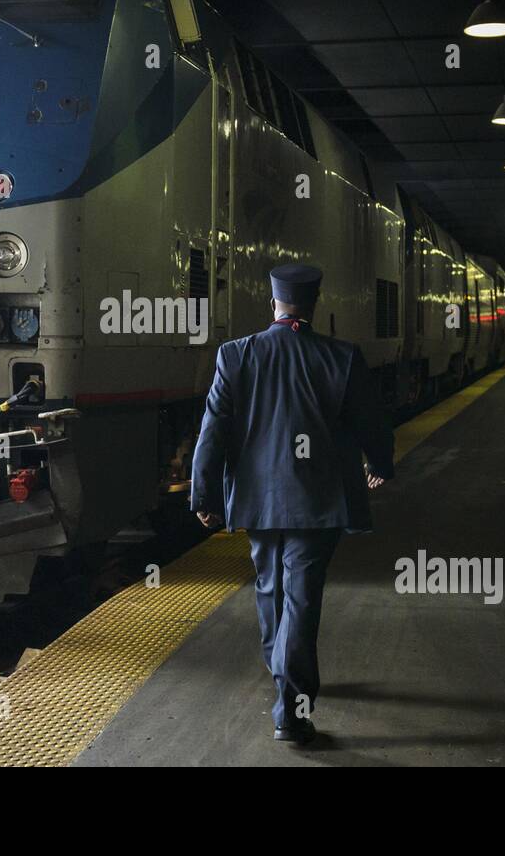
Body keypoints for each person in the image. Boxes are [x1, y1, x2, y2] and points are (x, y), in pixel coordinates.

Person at [190, 263, 395, 745]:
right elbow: (372, 422)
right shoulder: (342, 357)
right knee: (301, 597)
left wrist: (204, 494)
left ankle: (282, 670)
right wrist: (380, 464)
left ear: (273, 303)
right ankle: (291, 711)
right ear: (315, 303)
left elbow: (212, 429)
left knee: (270, 588)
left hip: (259, 500)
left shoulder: (236, 355)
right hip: (318, 500)